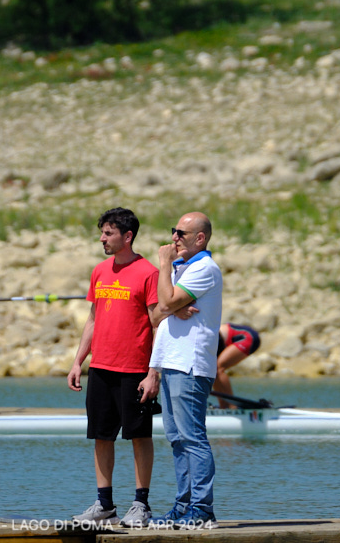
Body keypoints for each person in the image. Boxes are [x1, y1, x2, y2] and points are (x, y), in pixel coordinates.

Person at [67, 208, 160, 528]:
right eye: (102, 233)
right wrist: (78, 361)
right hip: (101, 367)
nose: (102, 239)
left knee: (139, 436)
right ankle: (104, 504)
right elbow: (92, 319)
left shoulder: (148, 272)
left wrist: (154, 372)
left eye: (108, 233)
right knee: (101, 436)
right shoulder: (100, 270)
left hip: (135, 369)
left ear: (127, 236)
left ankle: (141, 504)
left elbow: (156, 324)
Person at [147, 212, 223, 529]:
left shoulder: (205, 268)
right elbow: (155, 315)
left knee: (193, 438)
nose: (174, 237)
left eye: (181, 233)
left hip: (190, 364)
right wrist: (173, 305)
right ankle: (183, 505)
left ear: (200, 238)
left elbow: (164, 305)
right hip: (171, 363)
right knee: (177, 439)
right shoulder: (184, 269)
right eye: (173, 231)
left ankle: (202, 509)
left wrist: (164, 266)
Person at [212, 323, 261, 409]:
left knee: (218, 368)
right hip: (230, 339)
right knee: (213, 371)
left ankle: (231, 406)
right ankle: (223, 406)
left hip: (247, 337)